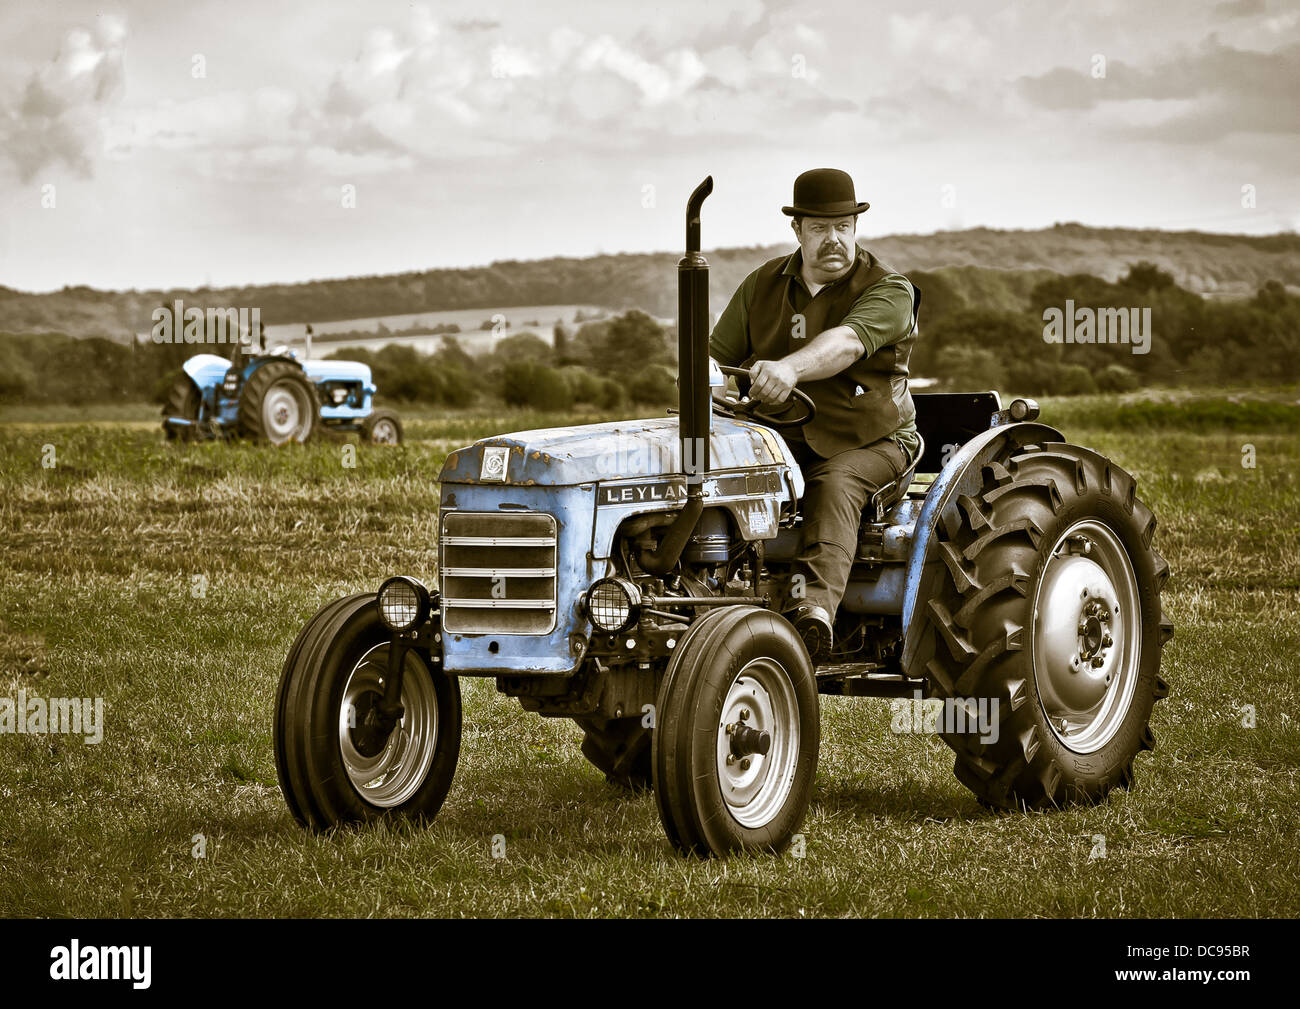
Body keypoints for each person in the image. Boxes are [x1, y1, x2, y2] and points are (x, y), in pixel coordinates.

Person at [708, 168, 921, 659]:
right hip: (780, 439)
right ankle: (699, 598)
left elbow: (845, 344)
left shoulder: (890, 291)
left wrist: (789, 368)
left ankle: (813, 616)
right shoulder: (762, 285)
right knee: (699, 470)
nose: (834, 240)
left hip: (874, 441)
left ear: (856, 228)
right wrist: (708, 387)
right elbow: (713, 357)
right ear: (797, 230)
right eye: (821, 228)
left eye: (844, 226)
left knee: (835, 483)